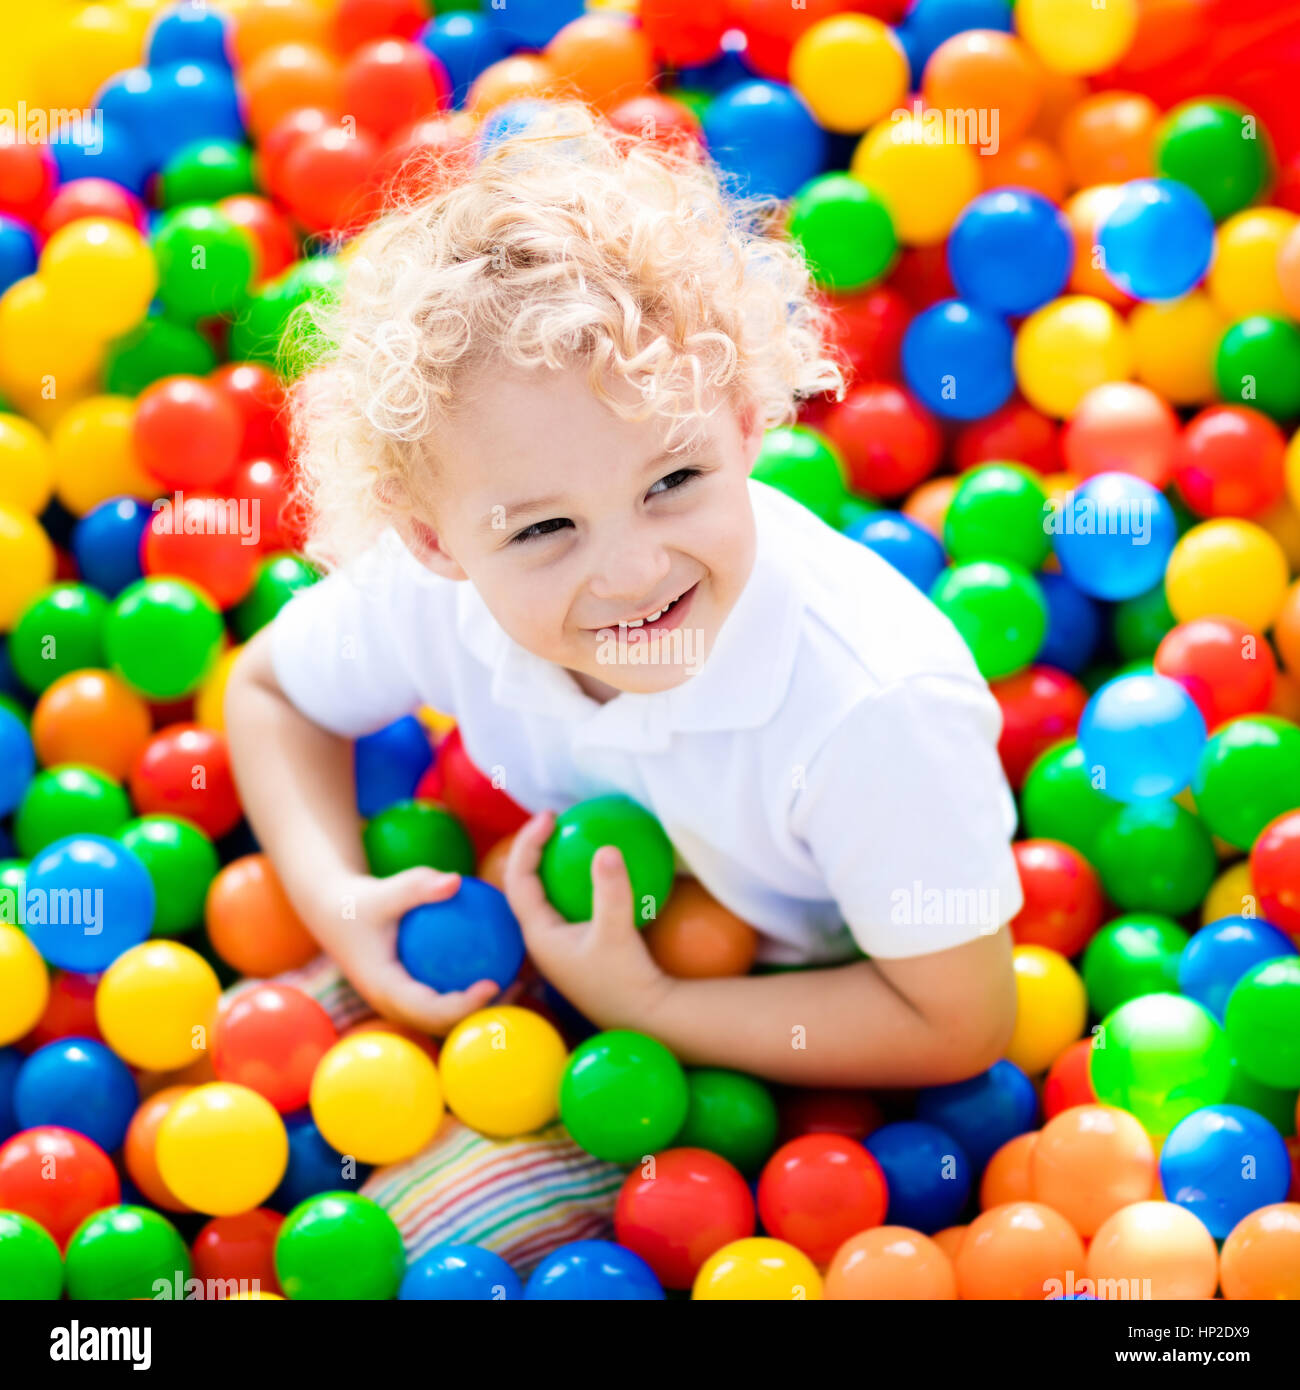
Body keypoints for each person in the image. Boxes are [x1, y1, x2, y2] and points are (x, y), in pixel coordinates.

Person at [225, 101, 1022, 1100]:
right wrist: (338, 900)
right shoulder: (439, 585)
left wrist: (649, 1010)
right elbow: (269, 692)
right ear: (436, 543)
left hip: (814, 1045)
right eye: (545, 531)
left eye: (671, 482)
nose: (634, 571)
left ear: (740, 426)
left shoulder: (872, 708)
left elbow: (963, 1018)